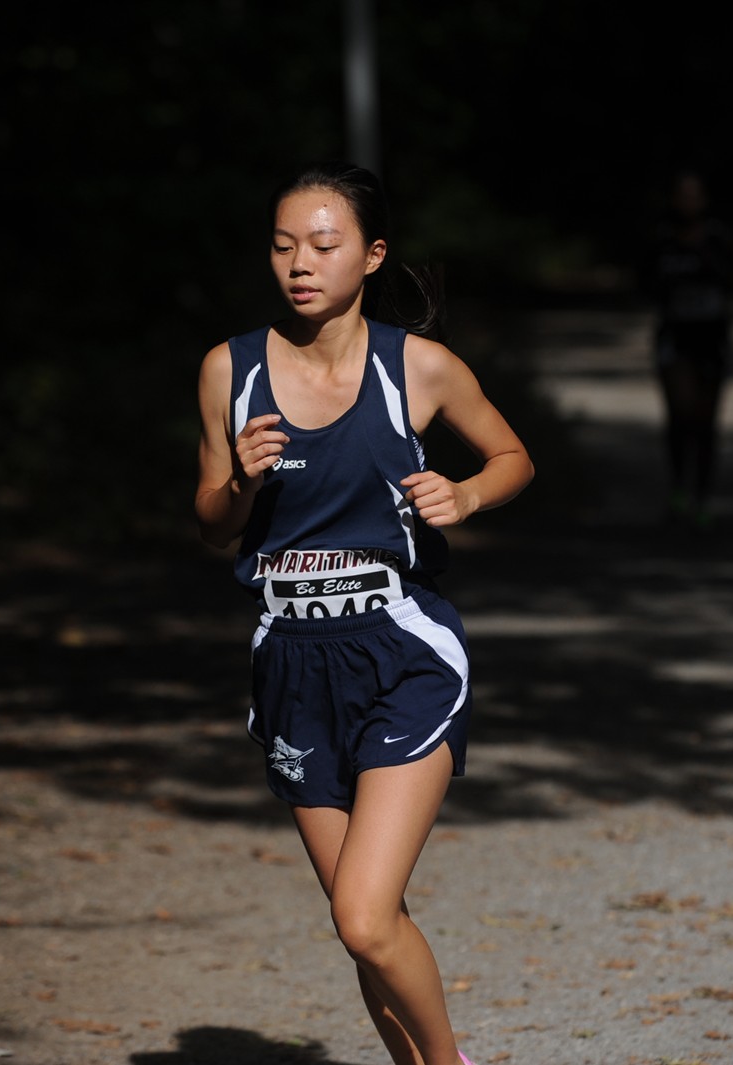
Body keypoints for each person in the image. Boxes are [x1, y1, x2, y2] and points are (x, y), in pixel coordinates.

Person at [194, 162, 534, 1065]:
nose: (299, 262)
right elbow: (210, 522)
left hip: (403, 652)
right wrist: (239, 479)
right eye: (282, 245)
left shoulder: (416, 366)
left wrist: (465, 496)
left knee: (362, 911)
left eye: (323, 243)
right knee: (364, 923)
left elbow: (512, 456)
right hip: (291, 664)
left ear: (372, 255)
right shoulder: (229, 370)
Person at [637, 168, 733, 527]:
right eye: (682, 195)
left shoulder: (720, 239)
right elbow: (641, 285)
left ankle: (702, 496)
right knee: (679, 416)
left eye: (695, 194)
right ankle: (678, 491)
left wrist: (717, 271)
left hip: (712, 340)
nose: (689, 202)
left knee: (705, 422)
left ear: (705, 199)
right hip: (675, 339)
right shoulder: (662, 240)